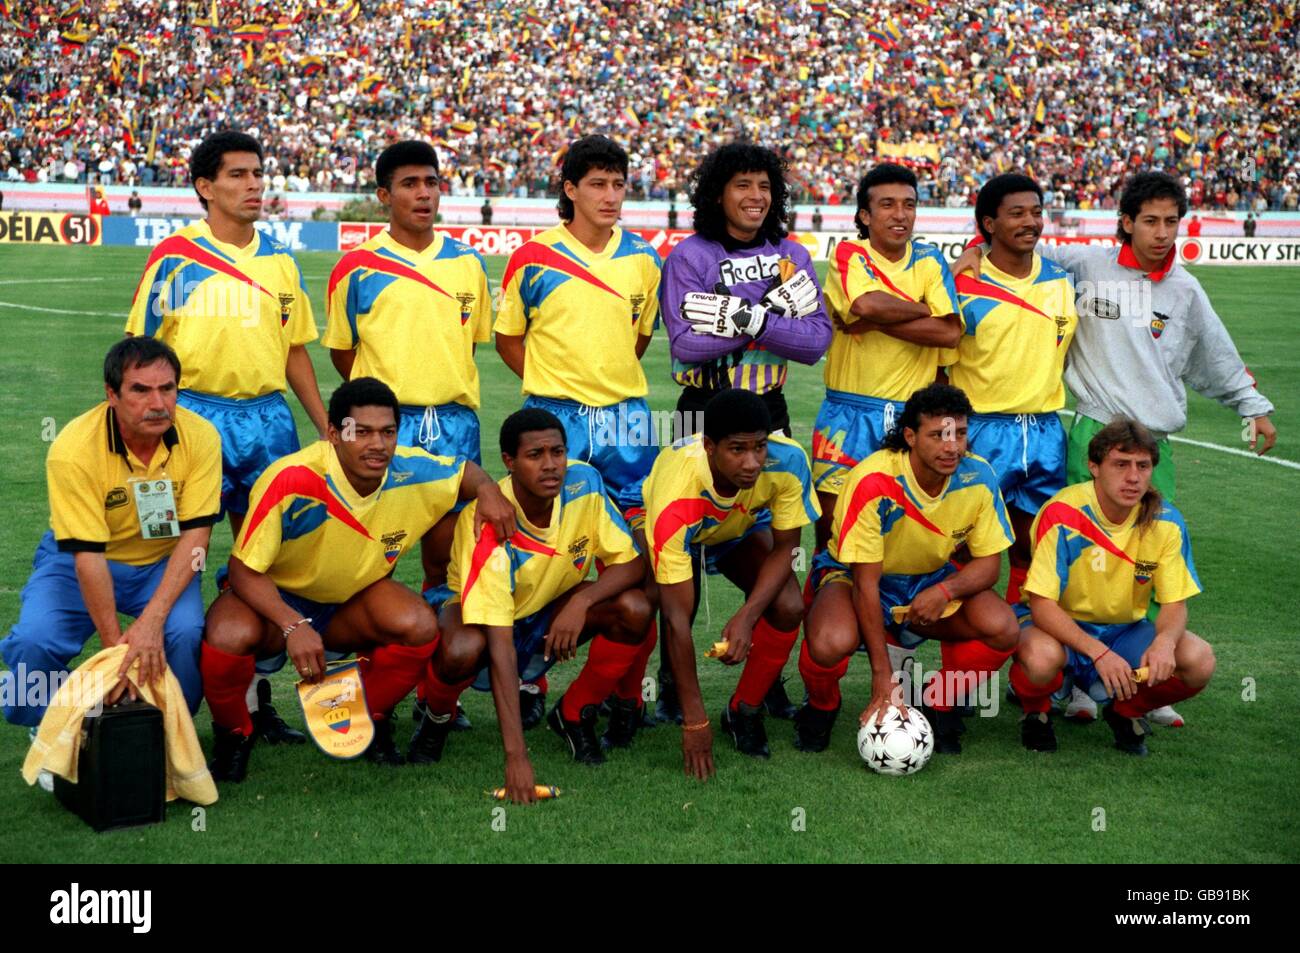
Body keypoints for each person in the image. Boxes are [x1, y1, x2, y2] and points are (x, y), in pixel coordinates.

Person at [953, 170, 1275, 725]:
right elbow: (1018, 241)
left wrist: (1251, 403)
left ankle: (1148, 672)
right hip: (1091, 435)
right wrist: (971, 251)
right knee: (1075, 562)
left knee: (1143, 558)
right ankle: (1080, 680)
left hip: (1156, 443)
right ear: (1125, 223)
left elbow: (1215, 353)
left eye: (1171, 221)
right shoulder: (1089, 268)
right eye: (1149, 220)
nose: (1161, 232)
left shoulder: (1185, 289)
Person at [198, 378, 514, 781]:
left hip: (352, 603)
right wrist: (292, 624)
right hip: (277, 601)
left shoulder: (410, 470)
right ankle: (234, 734)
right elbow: (243, 570)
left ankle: (367, 714)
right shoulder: (292, 478)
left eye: (387, 432)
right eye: (360, 432)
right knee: (226, 633)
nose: (377, 444)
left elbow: (464, 472)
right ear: (333, 433)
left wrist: (488, 489)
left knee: (417, 624)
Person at [125, 131, 329, 738]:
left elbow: (295, 352)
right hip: (189, 422)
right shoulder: (173, 257)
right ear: (205, 188)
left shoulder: (281, 262)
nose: (254, 185)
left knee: (271, 559)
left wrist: (323, 428)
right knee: (170, 552)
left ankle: (257, 706)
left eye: (259, 174)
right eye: (238, 175)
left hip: (268, 422)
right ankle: (159, 698)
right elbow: (143, 354)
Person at [657, 142, 830, 720]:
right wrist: (771, 314)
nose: (756, 197)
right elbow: (686, 343)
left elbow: (814, 343)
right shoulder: (690, 256)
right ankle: (671, 682)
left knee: (771, 542)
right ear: (717, 194)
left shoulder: (792, 253)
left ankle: (764, 675)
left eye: (764, 186)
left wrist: (736, 313)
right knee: (682, 544)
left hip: (768, 413)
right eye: (742, 186)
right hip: (700, 411)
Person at [495, 134, 662, 726]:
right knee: (540, 556)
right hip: (556, 417)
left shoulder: (643, 258)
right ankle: (528, 675)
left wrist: (604, 386)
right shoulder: (532, 257)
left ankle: (624, 692)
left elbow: (638, 339)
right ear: (570, 189)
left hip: (628, 423)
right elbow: (507, 338)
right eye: (597, 184)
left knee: (642, 561)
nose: (611, 195)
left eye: (619, 184)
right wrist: (552, 384)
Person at [412, 409, 653, 795]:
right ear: (509, 462)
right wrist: (516, 757)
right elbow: (500, 644)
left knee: (634, 608)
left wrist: (582, 602)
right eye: (535, 455)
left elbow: (632, 563)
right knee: (462, 648)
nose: (550, 465)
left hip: (548, 605)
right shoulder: (487, 523)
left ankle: (574, 715)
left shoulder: (585, 483)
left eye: (557, 452)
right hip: (480, 617)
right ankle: (436, 715)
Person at [2, 338, 220, 729]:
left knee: (184, 634)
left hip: (162, 561)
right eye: (140, 389)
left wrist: (151, 623)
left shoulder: (202, 436)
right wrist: (115, 650)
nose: (158, 403)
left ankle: (168, 733)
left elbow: (195, 538)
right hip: (78, 561)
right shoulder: (73, 448)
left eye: (167, 388)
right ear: (112, 395)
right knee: (33, 640)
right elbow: (87, 555)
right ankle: (53, 726)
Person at [796, 383, 1018, 755]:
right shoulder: (874, 480)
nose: (952, 447)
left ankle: (938, 702)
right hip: (854, 575)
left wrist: (944, 591)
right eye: (938, 435)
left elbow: (990, 565)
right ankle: (821, 707)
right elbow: (866, 585)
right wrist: (883, 678)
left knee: (1003, 628)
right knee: (830, 642)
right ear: (911, 436)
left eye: (960, 433)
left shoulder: (978, 475)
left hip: (929, 577)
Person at [325, 140, 491, 605]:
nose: (424, 194)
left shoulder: (468, 263)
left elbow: (468, 345)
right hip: (385, 427)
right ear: (384, 195)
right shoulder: (356, 267)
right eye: (409, 184)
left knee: (445, 550)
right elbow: (345, 355)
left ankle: (436, 653)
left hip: (453, 421)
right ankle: (358, 650)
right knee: (368, 547)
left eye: (431, 183)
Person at [1009, 419, 1215, 755]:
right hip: (1056, 625)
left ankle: (1124, 712)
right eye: (1121, 464)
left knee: (1198, 660)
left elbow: (1175, 603)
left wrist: (1164, 642)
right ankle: (1037, 712)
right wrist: (1098, 652)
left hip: (1124, 630)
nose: (1133, 477)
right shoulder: (1062, 512)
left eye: (1143, 466)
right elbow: (1042, 603)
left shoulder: (1166, 521)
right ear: (1093, 467)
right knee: (1042, 659)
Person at [645, 390, 818, 775]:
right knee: (657, 606)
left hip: (739, 526)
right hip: (678, 528)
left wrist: (747, 616)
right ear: (709, 446)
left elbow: (787, 547)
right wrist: (695, 721)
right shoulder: (677, 490)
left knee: (789, 606)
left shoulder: (787, 460)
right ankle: (653, 696)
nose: (752, 461)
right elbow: (675, 618)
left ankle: (744, 709)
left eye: (759, 446)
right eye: (737, 449)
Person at [811, 163, 961, 556]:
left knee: (905, 532)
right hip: (849, 413)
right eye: (888, 205)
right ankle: (828, 603)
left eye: (909, 205)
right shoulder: (849, 253)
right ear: (865, 215)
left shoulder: (929, 260)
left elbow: (949, 332)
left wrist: (873, 323)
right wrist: (922, 308)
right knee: (832, 527)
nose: (900, 214)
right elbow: (864, 302)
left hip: (914, 417)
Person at [947, 173, 1077, 609]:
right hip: (981, 431)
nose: (1031, 222)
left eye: (1037, 212)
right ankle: (963, 670)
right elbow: (939, 370)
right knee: (968, 554)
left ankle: (1026, 666)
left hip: (1044, 432)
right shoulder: (960, 284)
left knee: (1036, 550)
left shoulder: (1063, 279)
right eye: (1017, 213)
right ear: (988, 223)